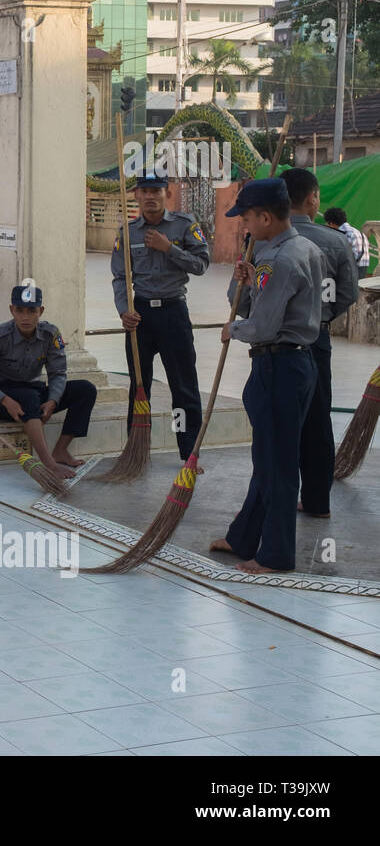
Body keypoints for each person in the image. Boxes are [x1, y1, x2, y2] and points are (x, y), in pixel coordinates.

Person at [211, 177, 326, 574]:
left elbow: (258, 326)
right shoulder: (299, 248)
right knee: (269, 459)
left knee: (277, 466)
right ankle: (244, 536)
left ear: (264, 216)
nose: (242, 225)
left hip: (278, 365)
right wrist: (242, 279)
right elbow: (246, 303)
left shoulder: (278, 260)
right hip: (292, 363)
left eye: (245, 217)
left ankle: (276, 555)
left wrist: (231, 331)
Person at [111, 172, 209, 465]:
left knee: (183, 386)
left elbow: (202, 264)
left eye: (156, 190)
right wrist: (123, 311)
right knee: (140, 386)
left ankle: (188, 450)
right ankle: (137, 449)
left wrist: (170, 248)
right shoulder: (127, 232)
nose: (150, 197)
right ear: (137, 196)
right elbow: (120, 277)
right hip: (140, 316)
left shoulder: (184, 225)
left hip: (173, 313)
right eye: (145, 191)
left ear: (167, 192)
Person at [283, 169, 358, 519]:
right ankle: (316, 501)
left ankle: (277, 501)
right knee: (317, 418)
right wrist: (322, 316)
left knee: (279, 423)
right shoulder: (336, 241)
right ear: (313, 198)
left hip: (280, 343)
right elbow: (348, 293)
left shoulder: (271, 238)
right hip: (318, 340)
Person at [0, 286, 98, 481]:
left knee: (85, 389)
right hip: (3, 399)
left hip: (33, 391)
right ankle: (48, 463)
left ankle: (60, 450)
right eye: (20, 310)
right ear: (11, 310)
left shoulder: (50, 334)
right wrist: (6, 401)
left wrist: (53, 401)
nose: (26, 317)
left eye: (31, 311)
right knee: (30, 397)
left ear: (40, 311)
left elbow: (58, 373)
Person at [323, 206, 370, 271]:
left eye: (327, 224)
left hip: (351, 270)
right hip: (363, 268)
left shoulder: (344, 234)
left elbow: (346, 257)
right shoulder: (359, 233)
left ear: (331, 223)